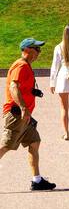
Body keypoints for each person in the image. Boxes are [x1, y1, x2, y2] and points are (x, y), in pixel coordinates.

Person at [1, 38, 55, 190]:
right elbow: (13, 87)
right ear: (29, 50)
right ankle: (37, 180)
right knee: (5, 146)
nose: (39, 52)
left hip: (24, 116)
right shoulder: (21, 65)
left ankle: (37, 180)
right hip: (16, 114)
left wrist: (33, 92)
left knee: (34, 142)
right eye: (37, 49)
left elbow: (21, 87)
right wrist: (24, 107)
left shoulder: (26, 66)